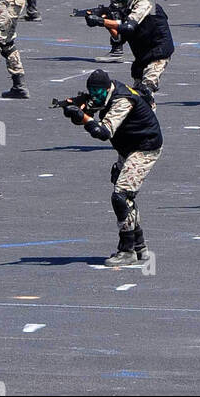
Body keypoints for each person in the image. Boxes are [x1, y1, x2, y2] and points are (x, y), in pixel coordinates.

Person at [54, 68, 162, 267]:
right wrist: (77, 108)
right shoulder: (108, 93)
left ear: (107, 88)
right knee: (123, 192)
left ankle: (127, 250)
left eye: (99, 93)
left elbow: (103, 132)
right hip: (129, 147)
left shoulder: (122, 100)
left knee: (121, 195)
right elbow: (92, 107)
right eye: (92, 92)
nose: (96, 97)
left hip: (144, 148)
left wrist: (83, 117)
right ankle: (139, 246)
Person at [87, 0, 174, 104]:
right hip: (141, 54)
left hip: (158, 51)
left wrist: (102, 21)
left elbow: (128, 27)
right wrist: (106, 22)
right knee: (137, 94)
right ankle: (145, 121)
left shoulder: (145, 1)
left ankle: (149, 123)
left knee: (146, 91)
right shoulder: (122, 9)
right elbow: (119, 37)